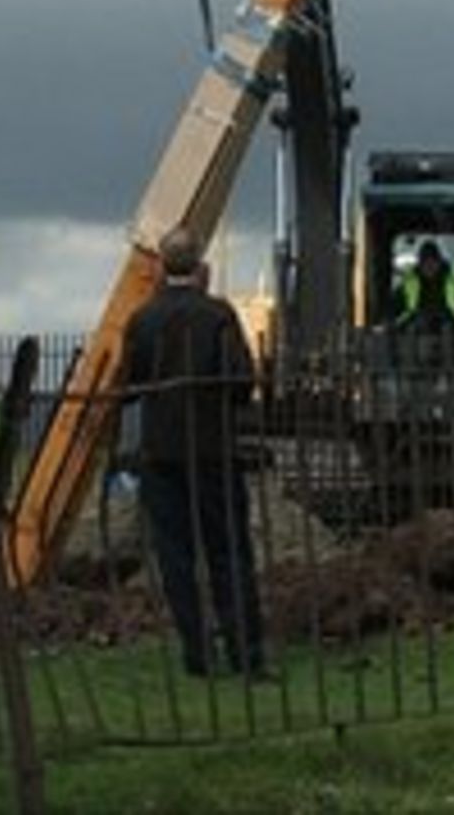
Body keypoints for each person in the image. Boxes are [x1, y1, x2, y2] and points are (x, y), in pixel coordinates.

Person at [121, 226, 266, 678]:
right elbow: (241, 382)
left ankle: (197, 654)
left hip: (161, 454)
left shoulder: (142, 320)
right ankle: (246, 654)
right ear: (200, 264)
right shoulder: (217, 315)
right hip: (213, 450)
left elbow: (130, 386)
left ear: (163, 266)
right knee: (228, 552)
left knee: (176, 557)